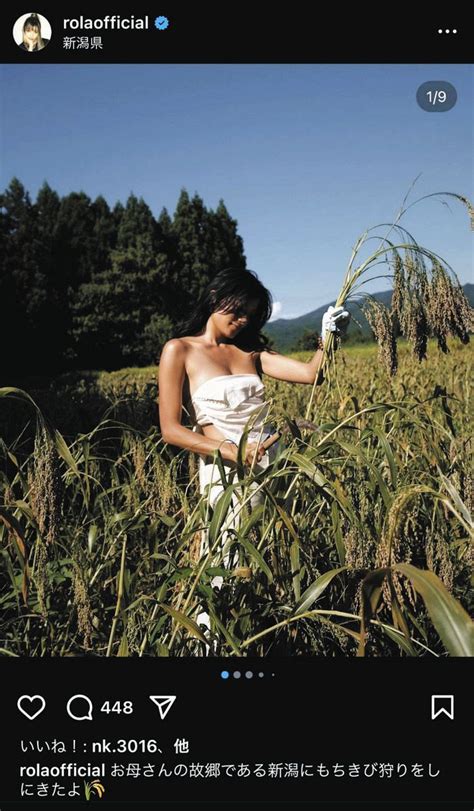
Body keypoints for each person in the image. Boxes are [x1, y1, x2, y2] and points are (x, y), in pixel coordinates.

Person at [158, 268, 349, 639]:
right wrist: (230, 451)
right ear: (215, 296)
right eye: (238, 309)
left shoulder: (252, 353)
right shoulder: (179, 349)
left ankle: (260, 636)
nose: (242, 319)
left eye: (251, 313)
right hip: (223, 473)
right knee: (223, 559)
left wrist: (329, 335)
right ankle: (210, 645)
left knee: (267, 557)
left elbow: (313, 375)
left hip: (270, 469)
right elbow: (171, 429)